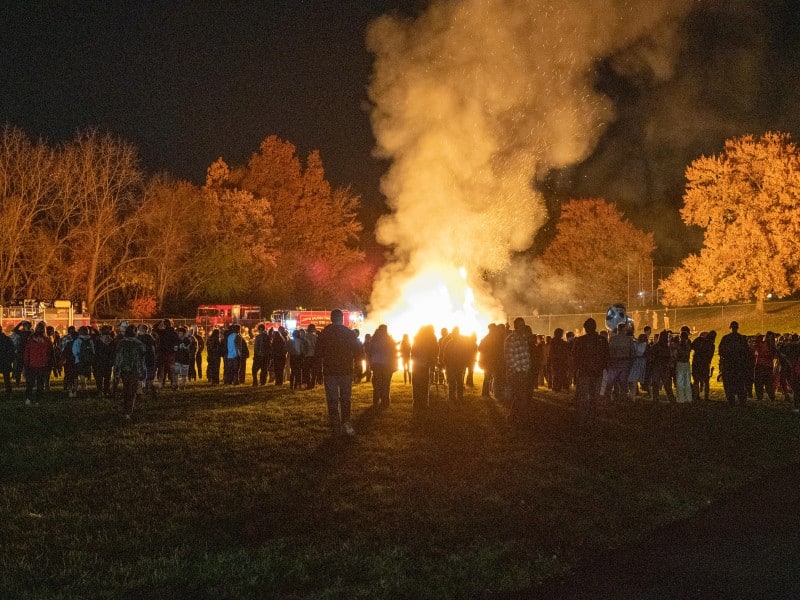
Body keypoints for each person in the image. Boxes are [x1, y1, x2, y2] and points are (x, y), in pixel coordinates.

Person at [316, 309, 363, 436]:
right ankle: (346, 423)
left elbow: (318, 354)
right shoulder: (349, 333)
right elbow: (358, 353)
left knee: (332, 399)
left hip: (329, 370)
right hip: (346, 370)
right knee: (345, 398)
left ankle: (335, 425)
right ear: (342, 318)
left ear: (331, 319)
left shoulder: (325, 333)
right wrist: (359, 369)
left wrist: (318, 372)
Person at [572, 318, 609, 431]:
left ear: (586, 328)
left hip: (585, 373)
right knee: (594, 397)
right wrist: (602, 367)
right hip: (597, 373)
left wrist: (577, 369)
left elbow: (575, 356)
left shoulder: (580, 340)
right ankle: (593, 420)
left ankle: (583, 421)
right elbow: (606, 356)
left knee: (583, 398)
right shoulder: (602, 340)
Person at [115, 326, 145, 419]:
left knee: (126, 388)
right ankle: (128, 410)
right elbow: (142, 358)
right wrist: (142, 371)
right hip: (134, 369)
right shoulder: (139, 344)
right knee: (132, 390)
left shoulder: (121, 343)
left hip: (124, 369)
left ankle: (125, 408)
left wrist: (117, 369)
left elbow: (118, 357)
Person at [504, 317, 531, 421]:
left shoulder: (523, 338)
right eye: (521, 325)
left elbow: (526, 355)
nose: (523, 327)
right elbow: (509, 358)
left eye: (523, 325)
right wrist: (519, 370)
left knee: (519, 396)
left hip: (523, 372)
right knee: (521, 396)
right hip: (516, 373)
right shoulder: (511, 339)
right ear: (516, 326)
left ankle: (512, 416)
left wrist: (526, 369)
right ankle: (521, 418)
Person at [718, 321, 751, 406]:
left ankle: (731, 400)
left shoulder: (726, 338)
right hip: (739, 365)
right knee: (739, 383)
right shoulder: (741, 338)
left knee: (729, 384)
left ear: (730, 328)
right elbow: (746, 352)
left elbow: (721, 351)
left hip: (729, 365)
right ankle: (741, 400)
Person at [410, 325, 439, 412]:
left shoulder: (416, 338)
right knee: (424, 385)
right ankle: (424, 403)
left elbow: (413, 351)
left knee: (416, 384)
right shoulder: (431, 338)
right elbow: (436, 350)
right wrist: (433, 360)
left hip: (416, 364)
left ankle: (416, 402)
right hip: (425, 364)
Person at [367, 324, 396, 409]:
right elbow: (393, 353)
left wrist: (370, 363)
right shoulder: (389, 339)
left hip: (376, 364)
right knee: (386, 384)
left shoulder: (374, 339)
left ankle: (376, 401)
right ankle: (385, 401)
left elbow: (369, 352)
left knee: (377, 384)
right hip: (386, 364)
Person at [23, 321, 52, 406]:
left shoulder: (30, 339)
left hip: (31, 364)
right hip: (42, 365)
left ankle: (28, 399)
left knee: (30, 383)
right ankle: (38, 400)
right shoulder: (47, 340)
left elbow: (26, 352)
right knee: (40, 384)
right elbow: (50, 353)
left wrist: (26, 363)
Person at [442, 326, 473, 405]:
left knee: (455, 382)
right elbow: (445, 355)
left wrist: (446, 364)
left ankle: (454, 397)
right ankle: (457, 397)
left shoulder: (450, 343)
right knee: (457, 382)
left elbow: (445, 356)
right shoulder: (458, 343)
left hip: (455, 366)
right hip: (456, 366)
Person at [691, 331, 716, 401]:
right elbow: (710, 357)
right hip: (705, 364)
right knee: (706, 381)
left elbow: (691, 347)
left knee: (696, 381)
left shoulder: (698, 340)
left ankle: (696, 396)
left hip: (696, 363)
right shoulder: (712, 345)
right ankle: (706, 397)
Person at [753, 331, 777, 401]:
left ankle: (768, 397)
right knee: (763, 382)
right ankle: (765, 397)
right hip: (764, 365)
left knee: (764, 382)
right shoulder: (768, 345)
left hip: (764, 365)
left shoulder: (771, 346)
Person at [673, 326, 693, 403]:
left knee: (680, 381)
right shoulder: (688, 344)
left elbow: (673, 350)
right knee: (687, 381)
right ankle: (688, 397)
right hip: (687, 364)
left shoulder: (678, 345)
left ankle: (681, 399)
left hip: (680, 363)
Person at [0, 327, 15, 400]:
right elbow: (12, 350)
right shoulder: (7, 339)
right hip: (6, 362)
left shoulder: (7, 339)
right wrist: (10, 360)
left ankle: (8, 394)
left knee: (7, 379)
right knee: (7, 379)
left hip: (5, 361)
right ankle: (8, 394)